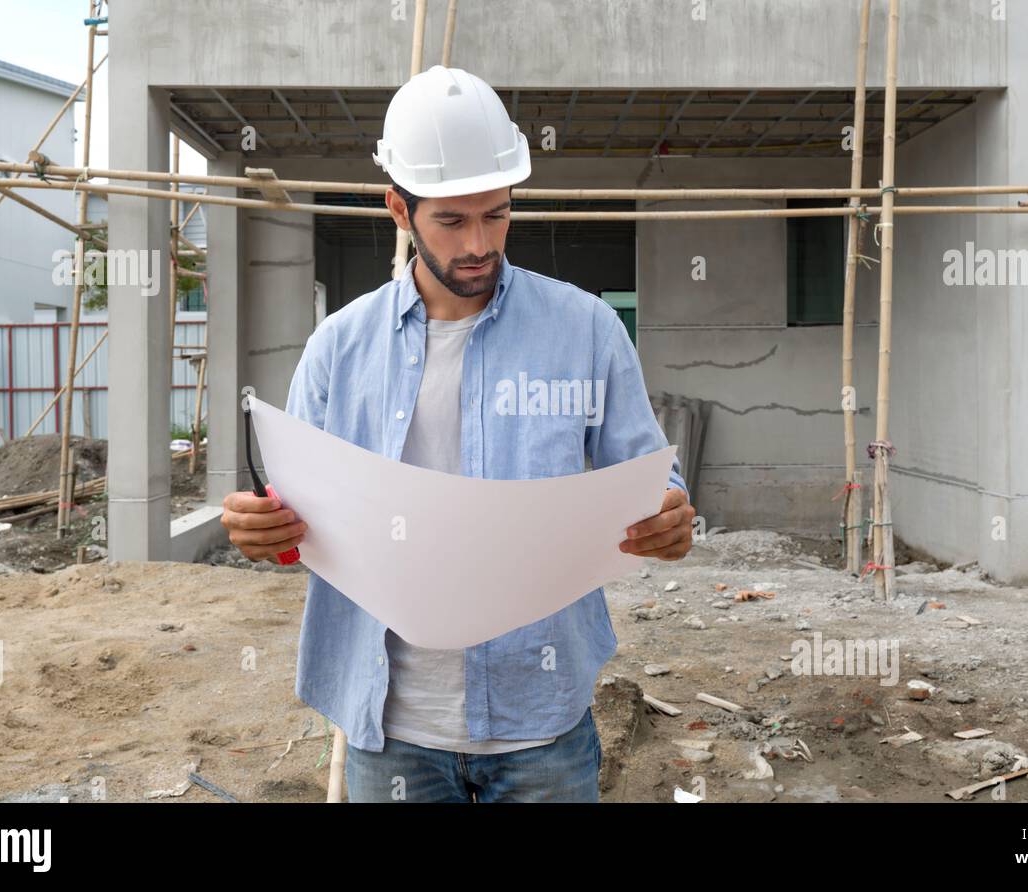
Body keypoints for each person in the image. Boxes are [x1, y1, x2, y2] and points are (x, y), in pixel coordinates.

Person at [221, 65, 695, 802]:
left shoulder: (587, 332)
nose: (480, 243)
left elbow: (653, 485)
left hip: (543, 725)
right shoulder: (339, 350)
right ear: (398, 210)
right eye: (452, 219)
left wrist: (670, 519)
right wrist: (264, 531)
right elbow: (299, 528)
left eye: (496, 215)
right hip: (394, 726)